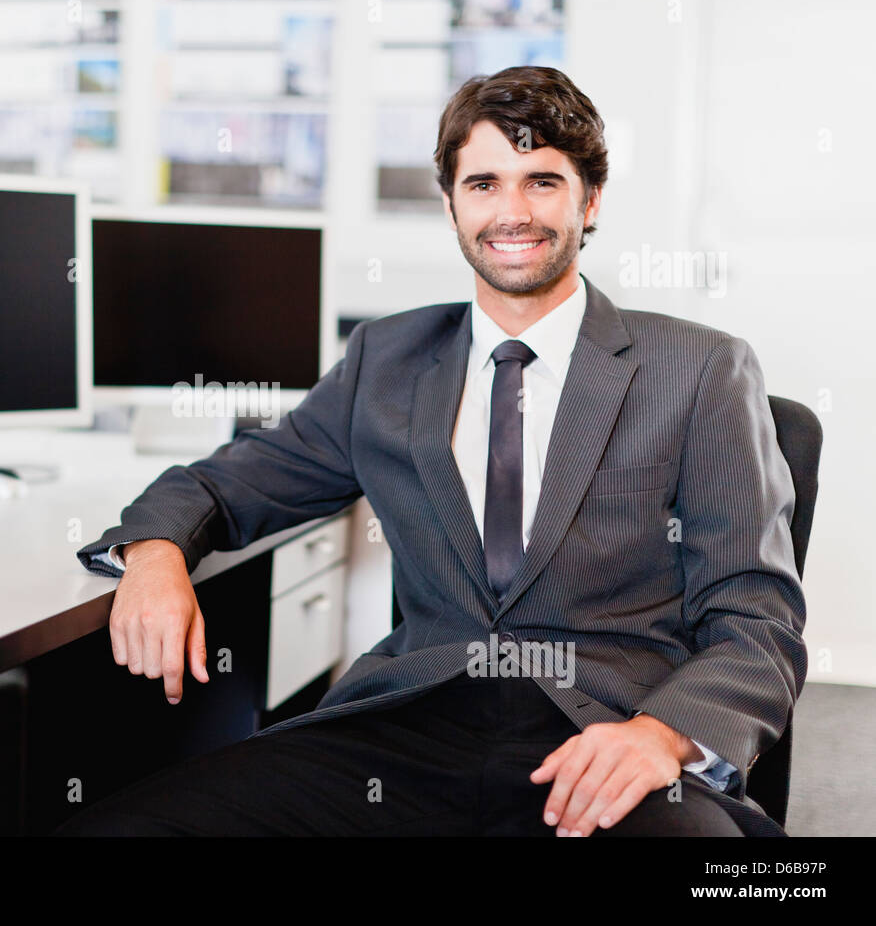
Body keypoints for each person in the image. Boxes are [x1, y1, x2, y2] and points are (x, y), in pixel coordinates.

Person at [60, 66, 806, 837]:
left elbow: (756, 617)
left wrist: (659, 736)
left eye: (542, 181)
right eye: (483, 183)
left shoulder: (700, 368)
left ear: (591, 200)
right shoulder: (386, 358)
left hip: (603, 733)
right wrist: (153, 551)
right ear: (450, 203)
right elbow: (227, 484)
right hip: (403, 730)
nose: (512, 212)